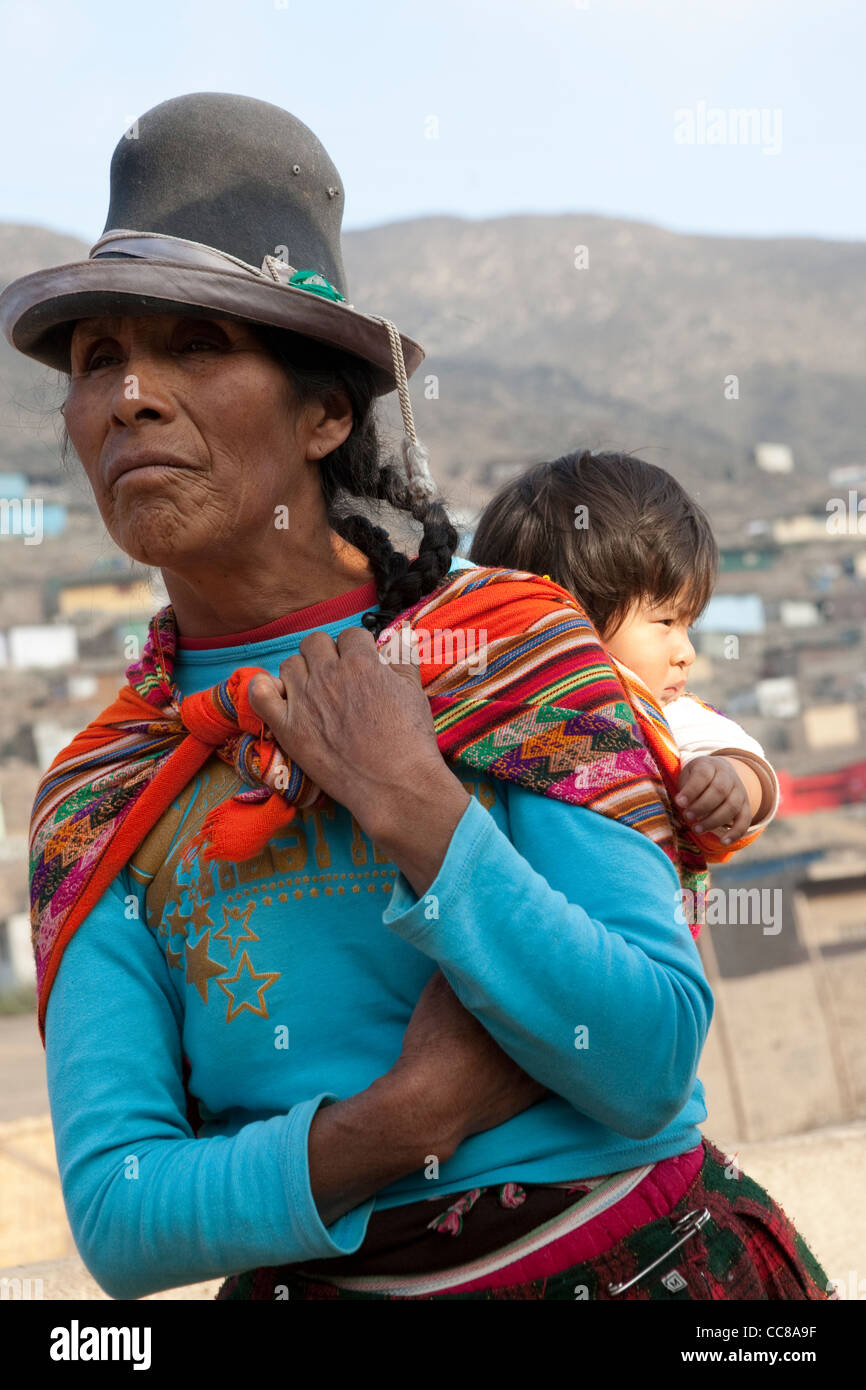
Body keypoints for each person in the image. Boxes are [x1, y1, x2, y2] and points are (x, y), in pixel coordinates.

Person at [0, 93, 835, 1302]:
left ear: (327, 411)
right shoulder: (106, 789)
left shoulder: (507, 652)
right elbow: (123, 1218)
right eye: (97, 359)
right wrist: (404, 1121)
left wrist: (411, 802)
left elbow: (648, 1056)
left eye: (193, 347)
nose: (131, 394)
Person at [470, 449, 780, 857]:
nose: (685, 653)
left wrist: (727, 779)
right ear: (572, 615)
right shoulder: (472, 696)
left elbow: (742, 761)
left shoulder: (662, 718)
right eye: (666, 622)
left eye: (688, 625)